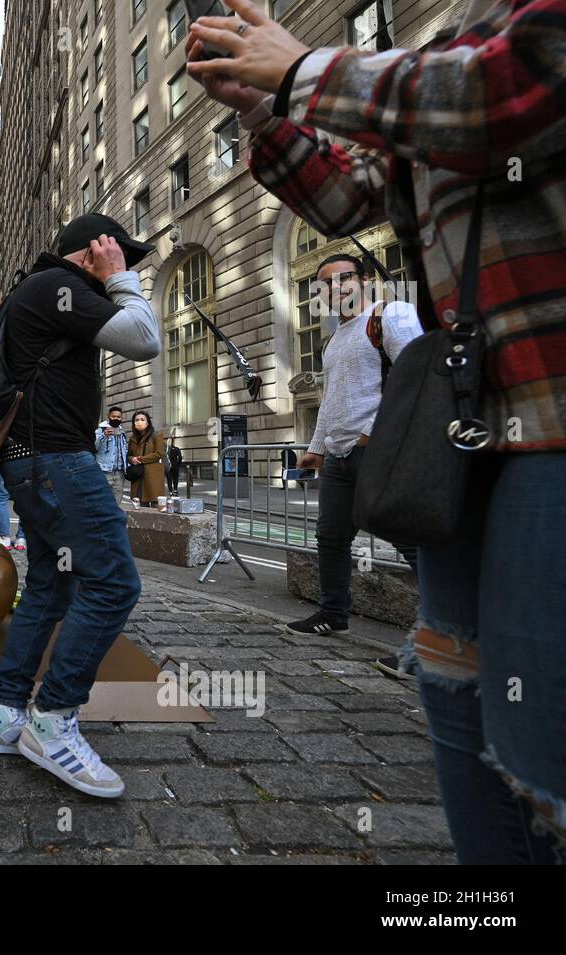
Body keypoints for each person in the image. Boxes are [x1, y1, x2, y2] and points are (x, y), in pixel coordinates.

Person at [189, 0, 566, 863]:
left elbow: (502, 93)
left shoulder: (502, 44)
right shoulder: (463, 31)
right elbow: (348, 191)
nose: (328, 285)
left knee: (541, 730)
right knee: (454, 696)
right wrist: (257, 100)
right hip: (471, 440)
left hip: (550, 419)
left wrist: (301, 69)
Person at [0, 213, 160, 798]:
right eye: (118, 254)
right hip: (58, 461)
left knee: (52, 587)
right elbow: (145, 339)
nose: (125, 265)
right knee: (112, 583)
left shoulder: (38, 290)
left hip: (31, 463)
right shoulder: (62, 287)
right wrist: (119, 280)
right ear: (93, 251)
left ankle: (5, 713)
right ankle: (52, 720)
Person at [281, 254, 421, 648]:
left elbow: (414, 379)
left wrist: (371, 436)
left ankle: (438, 638)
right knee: (331, 538)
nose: (335, 288)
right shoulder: (333, 339)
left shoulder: (390, 315)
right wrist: (316, 448)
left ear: (364, 279)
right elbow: (331, 401)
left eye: (344, 278)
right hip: (340, 458)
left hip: (381, 452)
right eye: (324, 283)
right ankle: (332, 615)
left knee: (409, 539)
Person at [127, 410, 166, 505]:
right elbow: (128, 454)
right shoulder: (132, 438)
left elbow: (159, 453)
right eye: (136, 420)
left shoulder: (157, 435)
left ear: (148, 422)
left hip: (152, 474)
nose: (139, 422)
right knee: (139, 503)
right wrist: (131, 459)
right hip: (138, 474)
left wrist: (140, 459)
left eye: (142, 419)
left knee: (155, 504)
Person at [94, 405, 129, 503]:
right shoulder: (100, 430)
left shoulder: (122, 433)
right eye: (114, 416)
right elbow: (94, 447)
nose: (116, 419)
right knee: (103, 500)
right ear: (109, 416)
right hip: (104, 471)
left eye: (118, 417)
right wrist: (104, 436)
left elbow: (124, 451)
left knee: (117, 501)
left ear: (122, 418)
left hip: (119, 472)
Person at [0, 469, 26, 550]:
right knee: (25, 499)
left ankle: (5, 539)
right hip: (28, 461)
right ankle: (21, 539)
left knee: (1, 498)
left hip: (8, 459)